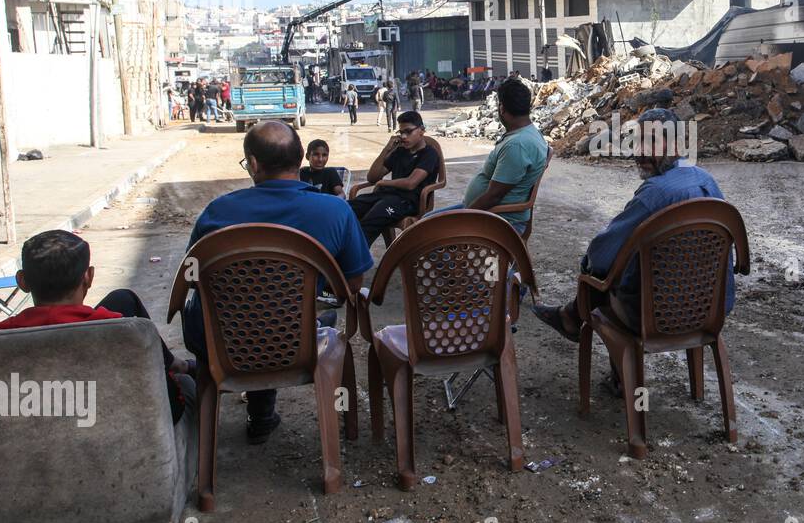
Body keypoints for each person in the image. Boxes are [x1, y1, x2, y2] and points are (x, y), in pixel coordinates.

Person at [181, 122, 373, 443]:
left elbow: (192, 278)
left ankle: (253, 412)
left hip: (223, 343)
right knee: (291, 314)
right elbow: (353, 284)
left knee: (250, 311)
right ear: (301, 158)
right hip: (293, 342)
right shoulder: (335, 211)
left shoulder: (218, 212)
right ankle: (265, 415)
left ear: (254, 164)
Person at [532, 107, 735, 367]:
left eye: (651, 141)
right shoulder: (708, 181)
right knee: (629, 265)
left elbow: (600, 257)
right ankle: (571, 318)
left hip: (657, 315)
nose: (640, 151)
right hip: (708, 310)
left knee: (604, 276)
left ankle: (573, 321)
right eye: (638, 141)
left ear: (675, 144)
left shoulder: (655, 194)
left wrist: (593, 265)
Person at [0, 230, 195, 422]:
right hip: (118, 415)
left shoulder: (1, 336)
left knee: (122, 298)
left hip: (36, 416)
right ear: (88, 277)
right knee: (186, 385)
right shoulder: (122, 330)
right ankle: (178, 366)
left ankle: (178, 365)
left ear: (22, 281)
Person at [457, 78, 548, 233]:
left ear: (502, 108)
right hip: (487, 214)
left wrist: (464, 219)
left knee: (423, 239)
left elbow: (493, 196)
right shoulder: (528, 133)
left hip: (498, 219)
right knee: (426, 223)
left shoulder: (517, 145)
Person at [347, 111, 438, 245]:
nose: (404, 136)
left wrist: (385, 182)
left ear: (421, 130)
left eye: (408, 131)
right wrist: (387, 149)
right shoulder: (400, 151)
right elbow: (372, 177)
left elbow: (411, 183)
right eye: (401, 132)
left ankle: (354, 260)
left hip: (408, 201)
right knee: (346, 210)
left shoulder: (429, 154)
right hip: (385, 196)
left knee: (370, 222)